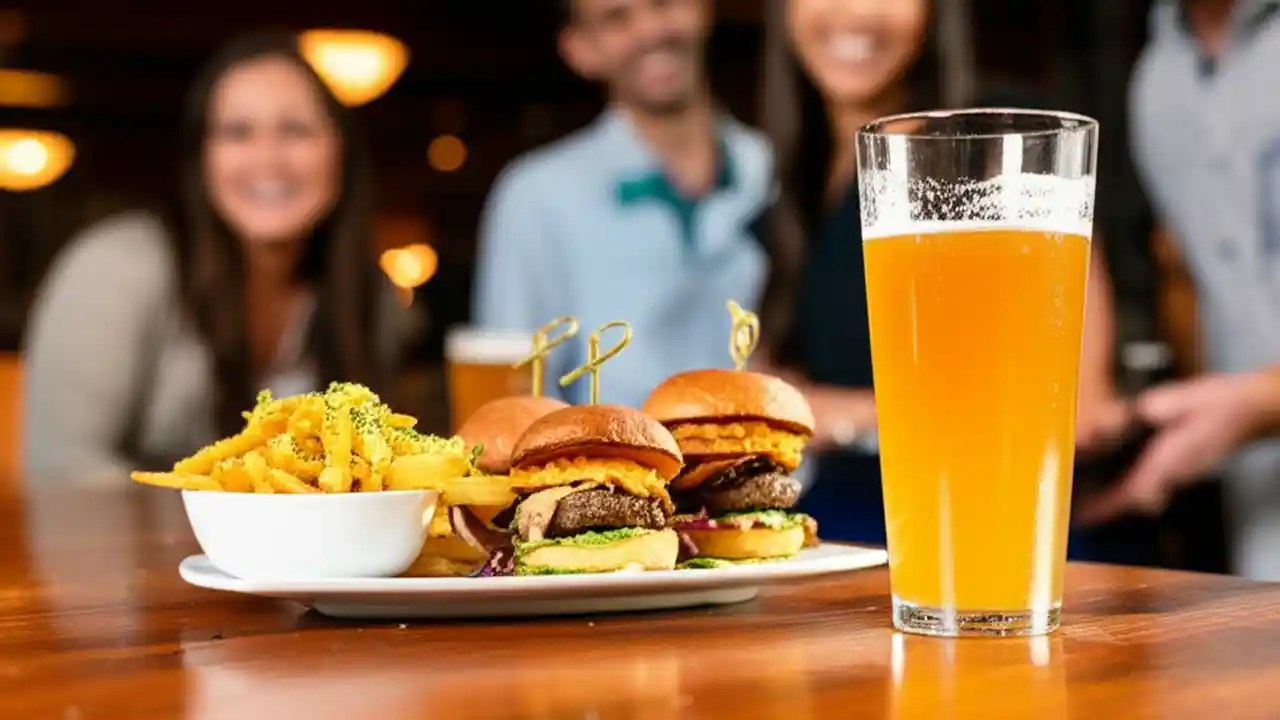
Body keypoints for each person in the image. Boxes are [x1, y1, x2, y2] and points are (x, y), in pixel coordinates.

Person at [758, 0, 1120, 544]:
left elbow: (1078, 407)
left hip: (993, 536)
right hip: (835, 539)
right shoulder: (788, 180)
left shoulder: (999, 142)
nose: (856, 13)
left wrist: (834, 412)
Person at [22, 31, 398, 483]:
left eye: (295, 130)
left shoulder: (371, 295)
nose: (268, 158)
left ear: (342, 154)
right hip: (133, 553)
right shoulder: (117, 268)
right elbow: (60, 470)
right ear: (201, 160)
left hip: (300, 554)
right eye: (238, 132)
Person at [473, 0, 772, 407]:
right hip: (609, 466)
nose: (650, 30)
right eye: (617, 18)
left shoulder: (774, 168)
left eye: (663, 3)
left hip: (781, 464)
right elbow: (512, 395)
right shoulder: (536, 196)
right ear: (580, 49)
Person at [1075, 0, 1280, 579]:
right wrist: (1179, 426)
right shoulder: (1159, 81)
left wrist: (1259, 401)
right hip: (1260, 508)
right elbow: (1189, 277)